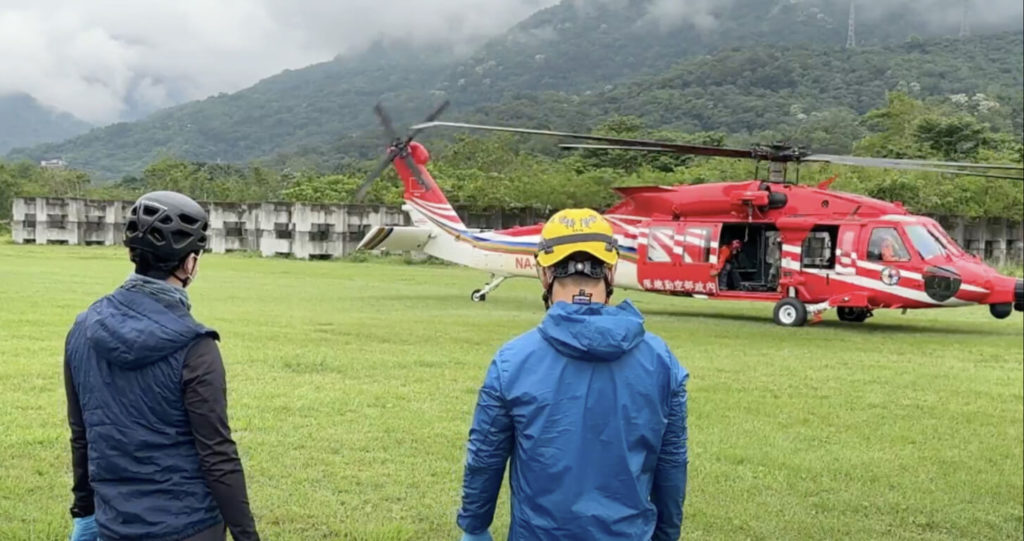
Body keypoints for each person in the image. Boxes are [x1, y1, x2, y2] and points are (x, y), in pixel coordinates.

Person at [455, 208, 689, 541]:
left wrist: (475, 526)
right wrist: (667, 534)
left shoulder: (512, 362)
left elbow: (485, 458)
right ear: (611, 271)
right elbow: (672, 465)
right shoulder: (661, 361)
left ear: (544, 273)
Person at [65, 191, 260, 541]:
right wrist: (247, 535)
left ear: (132, 253)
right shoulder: (196, 347)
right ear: (190, 264)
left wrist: (84, 510)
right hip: (190, 526)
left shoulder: (82, 329)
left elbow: (82, 436)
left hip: (114, 524)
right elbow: (217, 456)